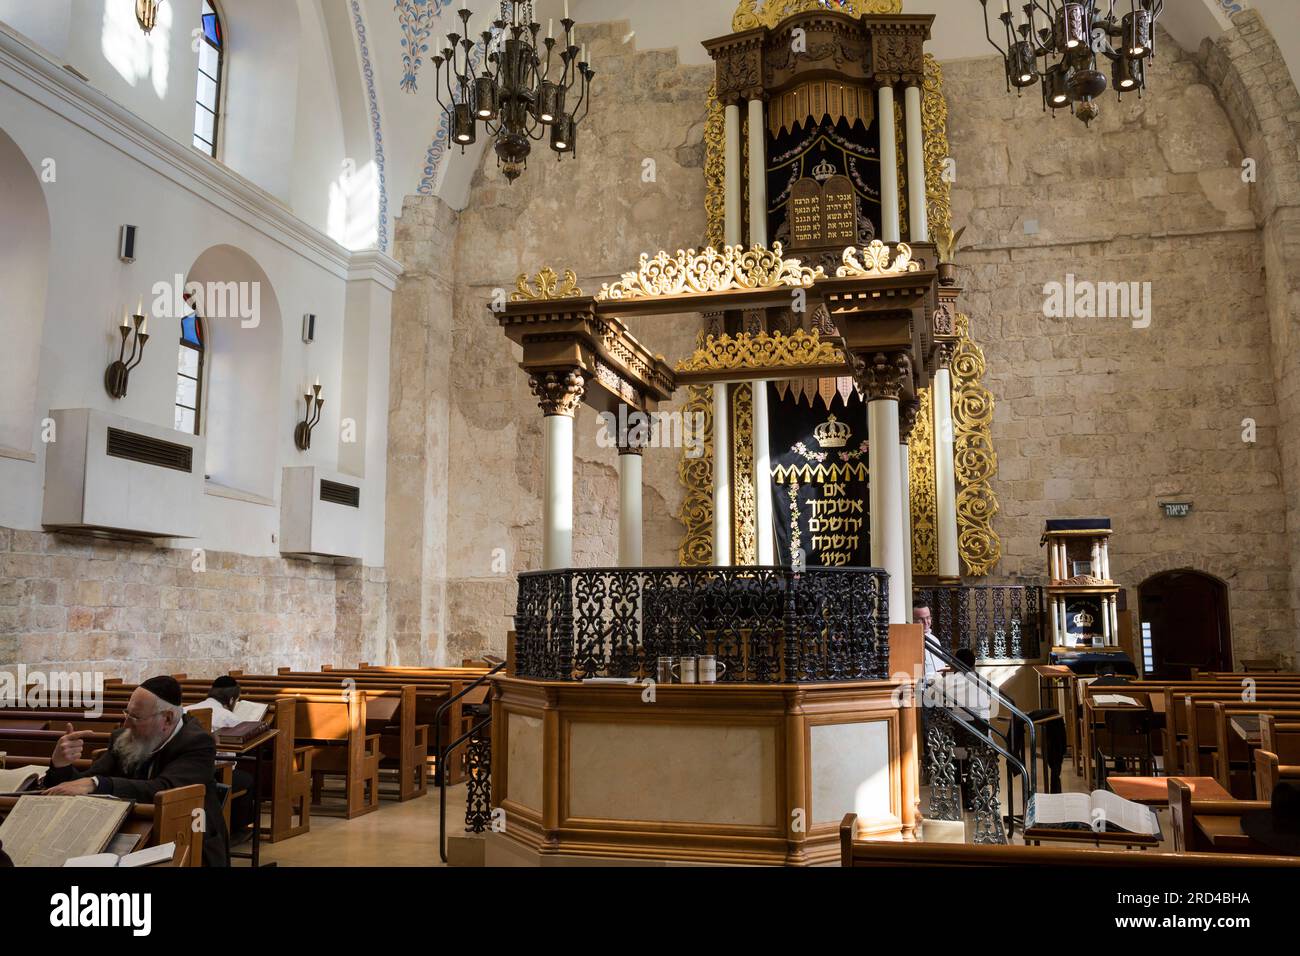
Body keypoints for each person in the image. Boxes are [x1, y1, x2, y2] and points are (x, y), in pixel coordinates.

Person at [41, 675, 228, 866]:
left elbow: (165, 789)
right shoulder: (124, 738)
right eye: (127, 714)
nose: (126, 725)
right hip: (134, 836)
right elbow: (82, 783)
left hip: (191, 841)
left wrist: (98, 784)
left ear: (167, 719)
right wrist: (61, 765)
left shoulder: (198, 743)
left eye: (135, 717)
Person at [187, 676, 256, 842]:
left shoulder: (187, 709)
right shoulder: (229, 717)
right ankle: (237, 828)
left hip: (186, 772)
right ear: (232, 699)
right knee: (247, 779)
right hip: (214, 775)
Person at [914, 602, 947, 680]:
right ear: (912, 620)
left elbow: (941, 666)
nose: (926, 622)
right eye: (921, 619)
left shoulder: (935, 639)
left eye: (928, 617)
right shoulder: (910, 642)